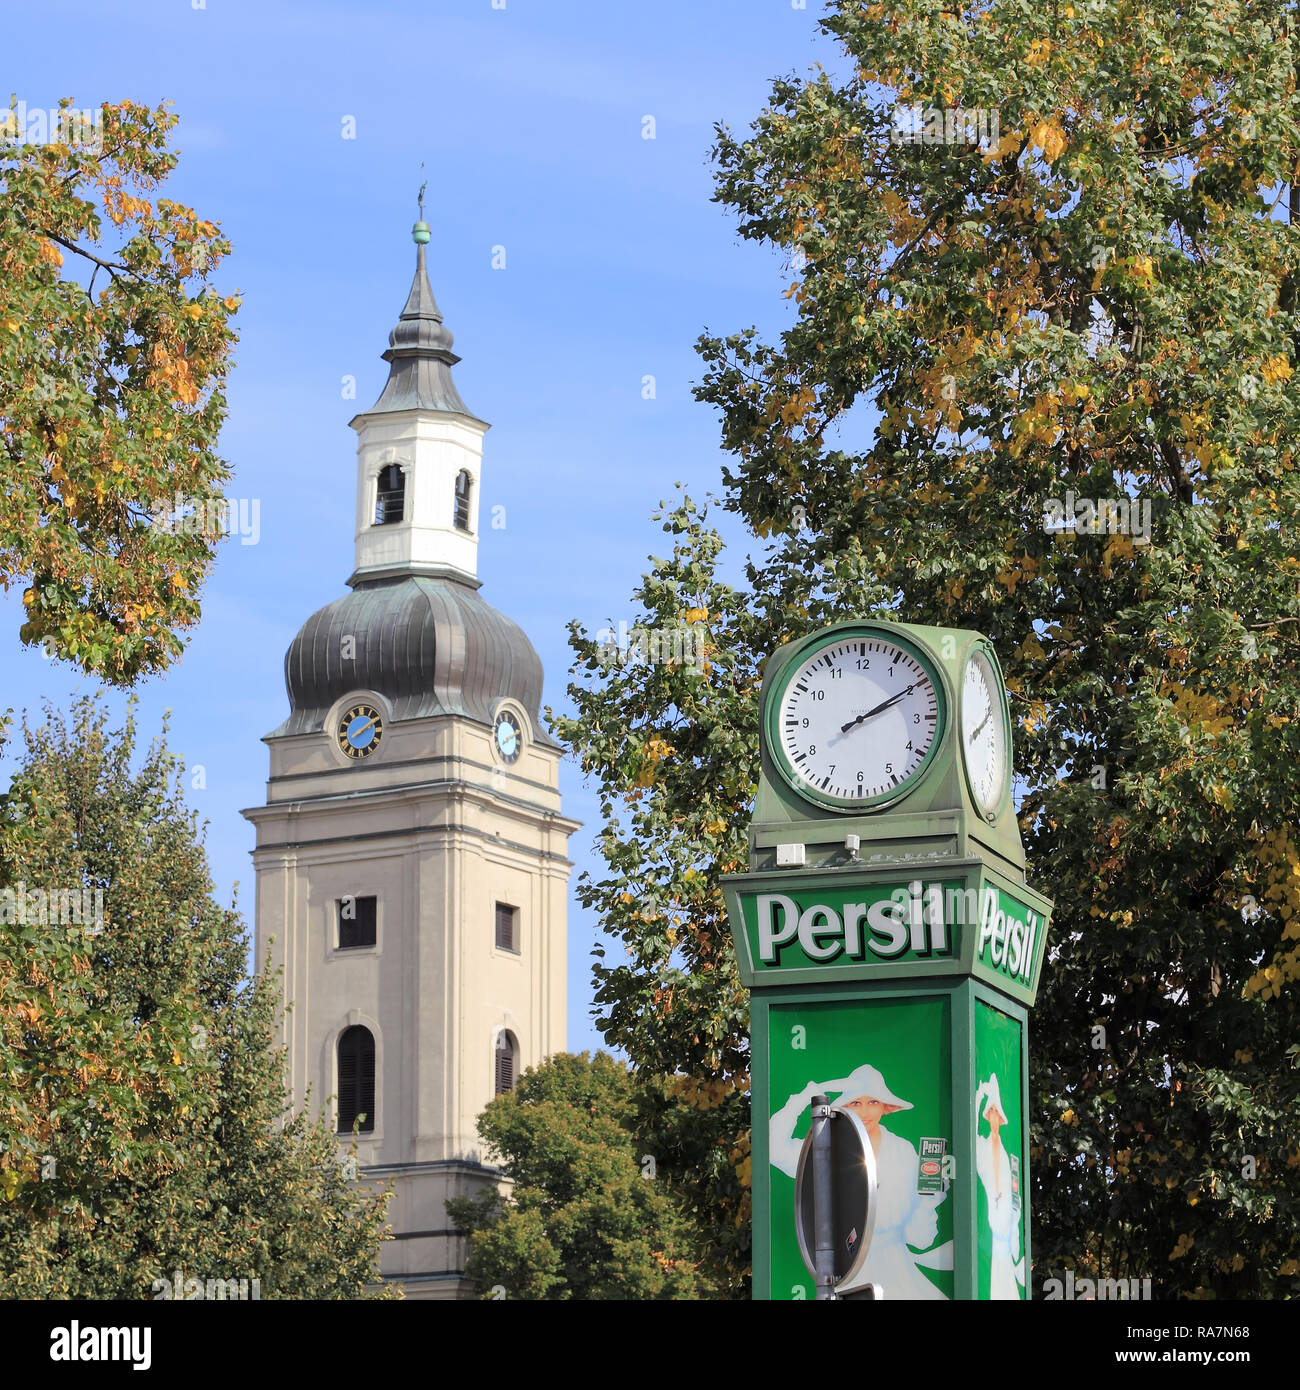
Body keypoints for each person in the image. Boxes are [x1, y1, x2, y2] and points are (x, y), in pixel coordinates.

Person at [771, 1063, 951, 1299]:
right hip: (849, 1274)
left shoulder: (903, 1151)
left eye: (873, 1102)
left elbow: (921, 1235)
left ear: (885, 1107)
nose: (865, 1111)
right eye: (856, 1102)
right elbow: (773, 1148)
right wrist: (802, 1099)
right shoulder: (828, 1150)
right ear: (845, 1106)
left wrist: (930, 1200)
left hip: (897, 1270)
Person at [974, 1073, 1024, 1299]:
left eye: (996, 1111)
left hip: (1005, 1217)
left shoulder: (1005, 1150)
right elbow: (970, 1133)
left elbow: (1014, 1187)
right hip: (989, 1214)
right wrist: (976, 1100)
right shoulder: (982, 1144)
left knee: (1004, 1268)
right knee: (994, 1269)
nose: (993, 1116)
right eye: (990, 1111)